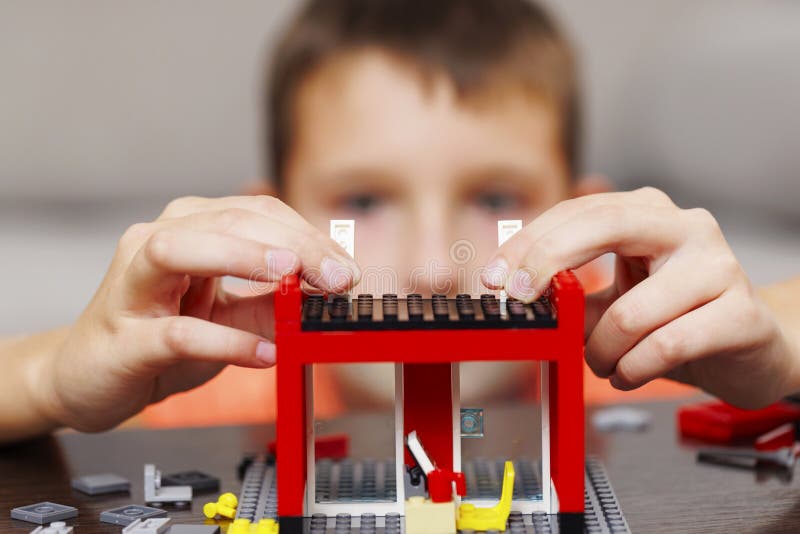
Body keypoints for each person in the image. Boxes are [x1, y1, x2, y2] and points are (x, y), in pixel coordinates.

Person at [1, 0, 798, 444]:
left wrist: (775, 348)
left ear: (586, 225)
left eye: (494, 199)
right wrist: (47, 380)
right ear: (263, 227)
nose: (428, 267)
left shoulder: (633, 368)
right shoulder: (207, 399)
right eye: (364, 202)